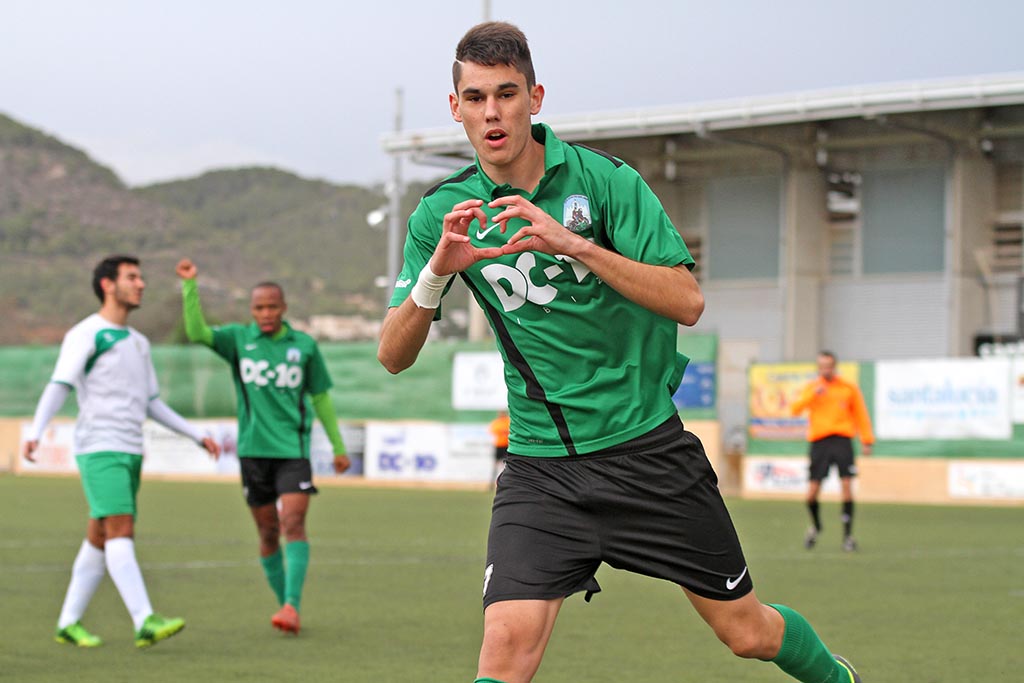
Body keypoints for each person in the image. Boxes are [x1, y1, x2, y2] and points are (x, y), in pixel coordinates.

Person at [377, 21, 863, 683]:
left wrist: (571, 243)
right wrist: (436, 273)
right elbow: (391, 355)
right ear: (455, 105)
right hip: (541, 468)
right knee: (506, 646)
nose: (492, 112)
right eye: (477, 97)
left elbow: (687, 300)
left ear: (535, 98)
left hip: (646, 453)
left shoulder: (607, 184)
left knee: (746, 632)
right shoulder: (442, 212)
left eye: (507, 94)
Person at [23, 255, 220, 649]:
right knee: (120, 528)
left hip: (130, 449)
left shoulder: (139, 343)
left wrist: (196, 435)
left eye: (141, 277)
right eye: (132, 277)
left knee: (99, 535)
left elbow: (152, 403)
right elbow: (60, 382)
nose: (141, 283)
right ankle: (144, 619)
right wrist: (36, 430)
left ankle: (68, 622)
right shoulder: (87, 333)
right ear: (108, 285)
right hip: (100, 446)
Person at [175, 258, 350, 635]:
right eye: (258, 308)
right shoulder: (239, 340)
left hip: (293, 453)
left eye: (272, 307)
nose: (265, 314)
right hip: (253, 453)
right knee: (268, 532)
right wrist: (190, 286)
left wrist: (338, 445)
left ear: (283, 308)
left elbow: (320, 397)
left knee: (294, 523)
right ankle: (282, 602)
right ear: (251, 311)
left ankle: (292, 606)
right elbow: (197, 333)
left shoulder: (303, 346)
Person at [790, 351, 874, 552]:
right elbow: (795, 409)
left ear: (834, 366)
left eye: (828, 366)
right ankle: (816, 526)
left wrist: (867, 439)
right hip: (820, 443)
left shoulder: (847, 388)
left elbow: (860, 414)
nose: (825, 369)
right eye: (822, 366)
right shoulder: (812, 387)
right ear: (818, 368)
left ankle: (848, 536)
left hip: (842, 441)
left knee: (846, 486)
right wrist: (813, 394)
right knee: (811, 493)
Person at [488, 409, 510, 483]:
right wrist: (503, 431)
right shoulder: (497, 422)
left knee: (506, 464)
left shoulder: (508, 421)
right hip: (499, 445)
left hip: (507, 445)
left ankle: (506, 481)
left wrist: (503, 431)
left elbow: (510, 430)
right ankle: (492, 481)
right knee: (496, 464)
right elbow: (493, 430)